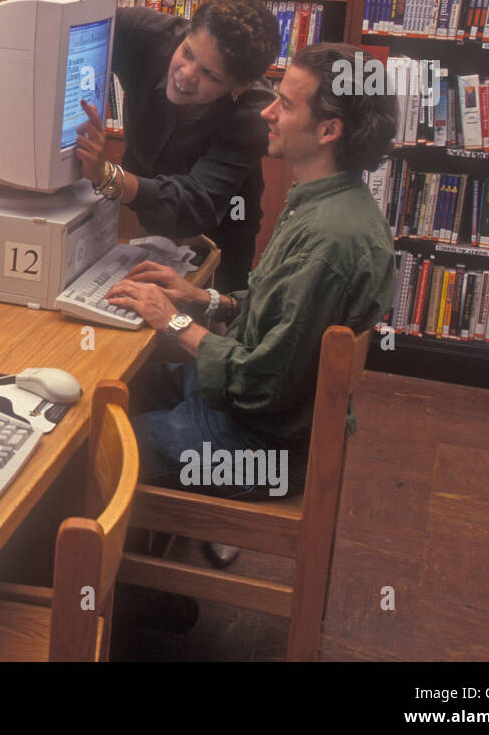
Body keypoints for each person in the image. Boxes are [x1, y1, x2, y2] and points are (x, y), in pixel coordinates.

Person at [106, 41, 398, 499]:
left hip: (265, 445)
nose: (267, 114)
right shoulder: (327, 202)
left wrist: (173, 319)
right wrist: (208, 299)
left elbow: (259, 383)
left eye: (285, 104)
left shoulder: (330, 241)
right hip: (262, 416)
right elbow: (283, 323)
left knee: (95, 443)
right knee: (110, 388)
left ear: (328, 130)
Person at [18, 0, 281, 290]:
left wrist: (106, 176)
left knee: (204, 324)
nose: (185, 74)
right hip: (132, 214)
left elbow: (193, 205)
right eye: (187, 52)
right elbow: (39, 0)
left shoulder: (254, 115)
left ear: (238, 85)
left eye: (210, 75)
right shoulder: (148, 34)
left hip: (216, 237)